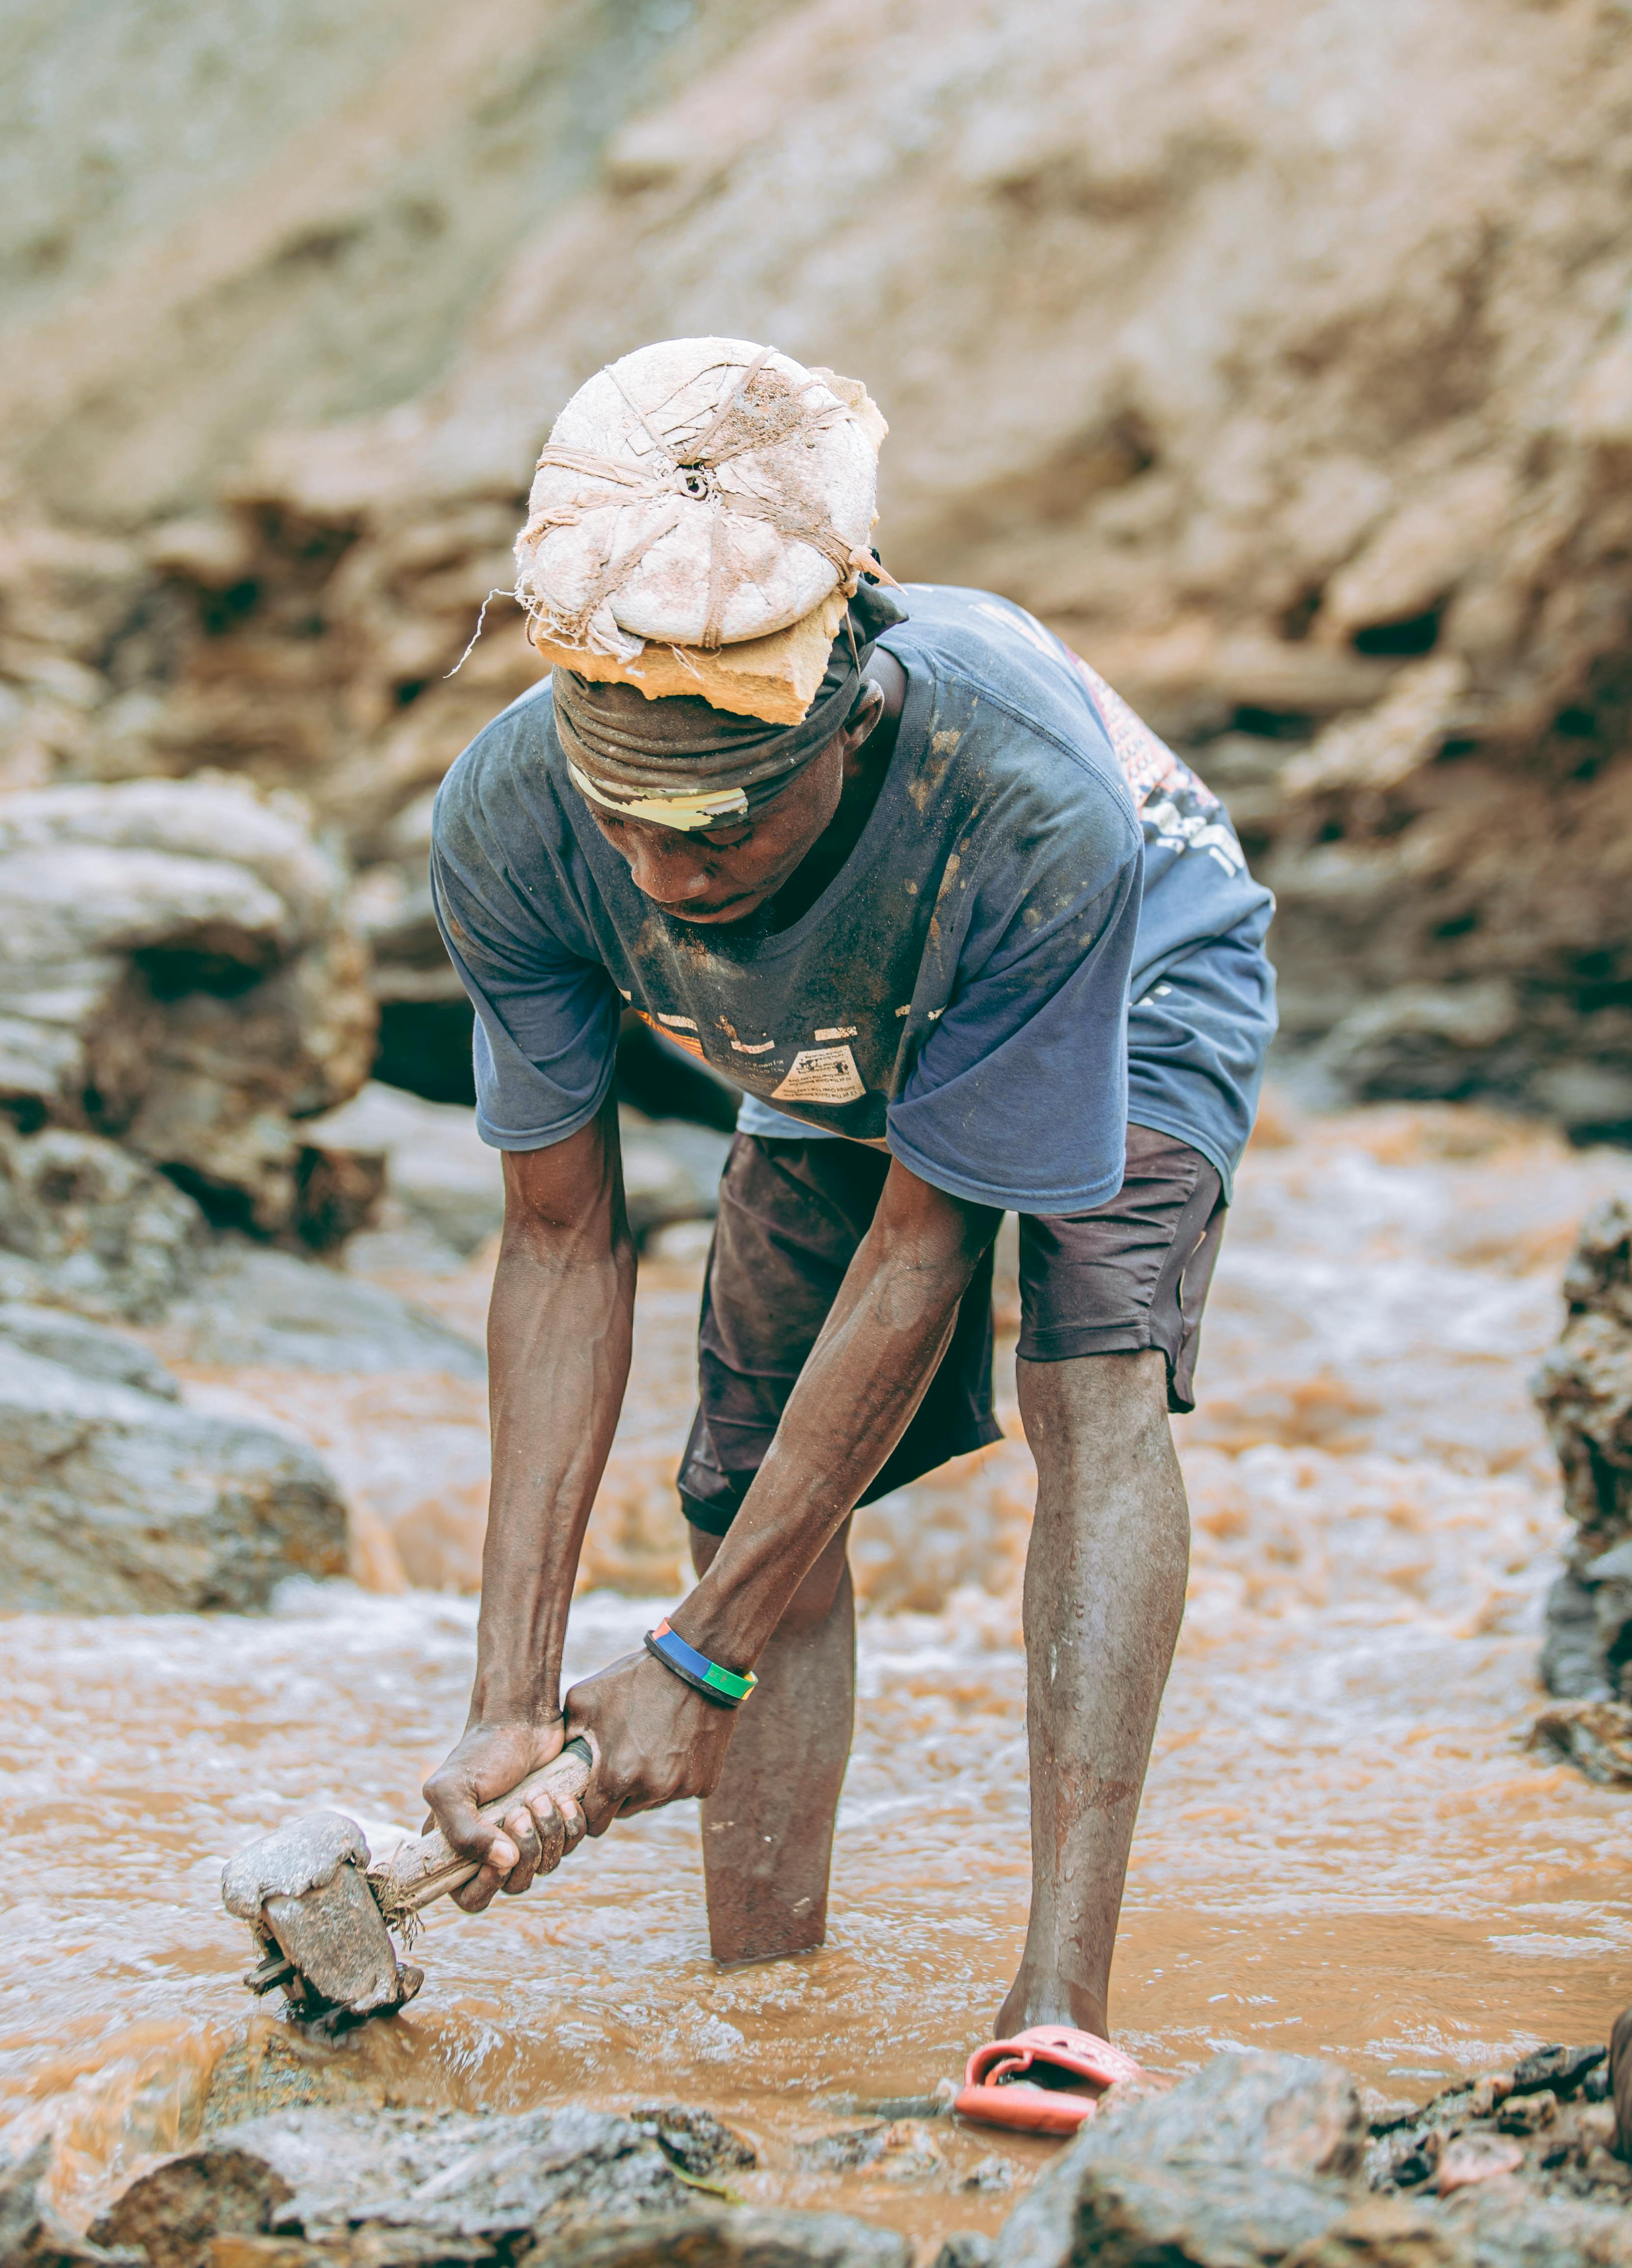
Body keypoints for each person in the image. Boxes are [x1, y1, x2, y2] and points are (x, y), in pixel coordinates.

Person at [422, 344, 1275, 2126]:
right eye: (626, 816)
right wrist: (512, 1704)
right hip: (828, 1018)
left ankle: (1057, 1999)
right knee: (743, 1474)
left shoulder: (1022, 799)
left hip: (1121, 960)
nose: (662, 875)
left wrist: (694, 1659)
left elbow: (923, 1250)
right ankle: (767, 2003)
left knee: (1090, 1373)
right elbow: (562, 1246)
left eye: (721, 817)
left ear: (850, 720)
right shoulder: (509, 819)